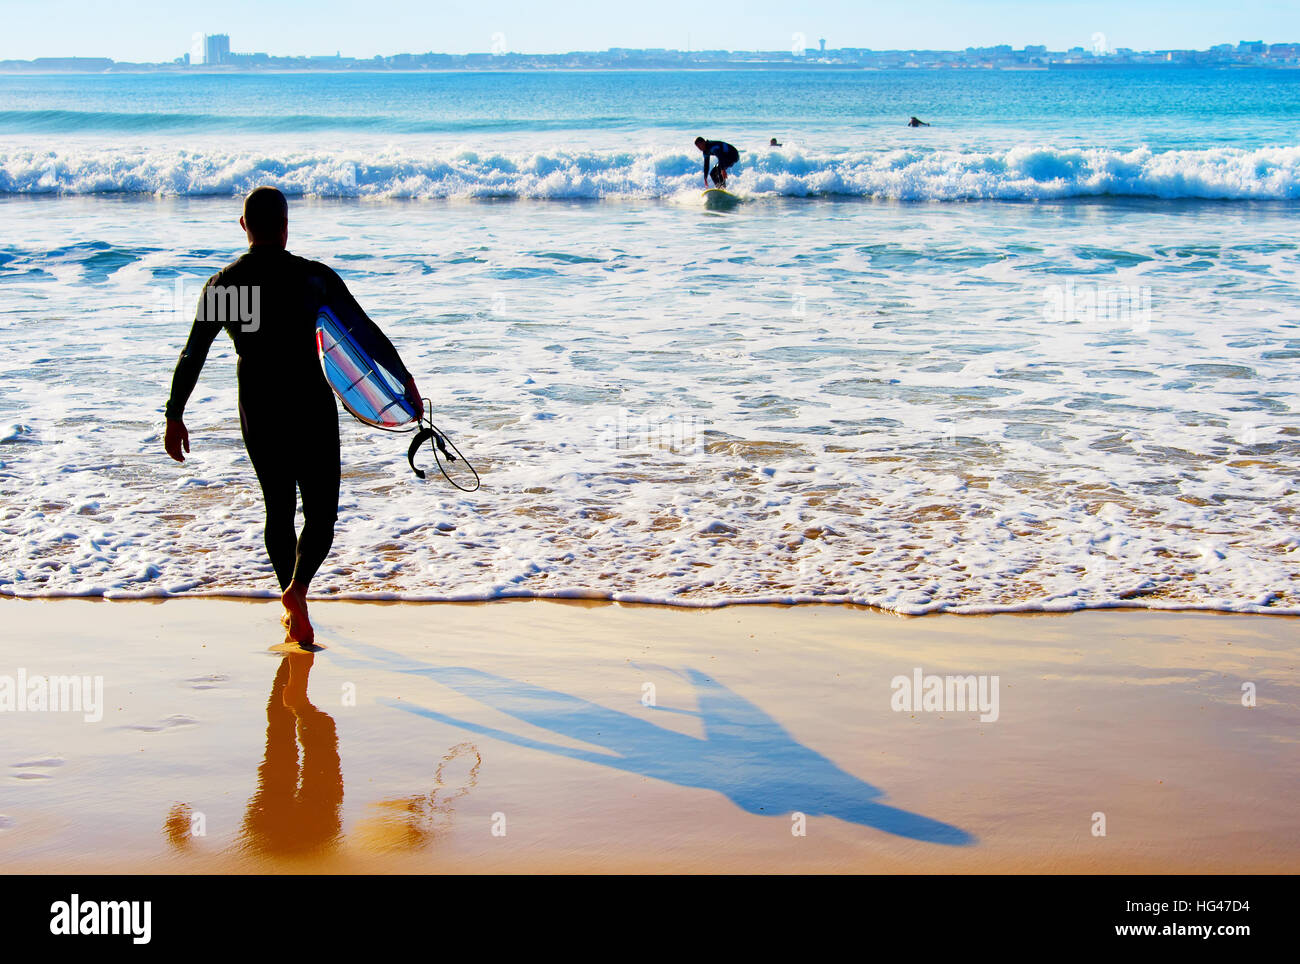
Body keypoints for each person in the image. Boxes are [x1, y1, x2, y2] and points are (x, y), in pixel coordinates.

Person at [163, 186, 401, 646]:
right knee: (321, 515)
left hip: (259, 402)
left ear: (243, 226)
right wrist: (402, 379)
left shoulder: (226, 285)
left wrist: (175, 414)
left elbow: (194, 353)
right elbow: (363, 330)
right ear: (287, 226)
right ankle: (299, 589)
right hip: (308, 400)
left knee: (278, 508)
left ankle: (294, 603)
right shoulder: (312, 279)